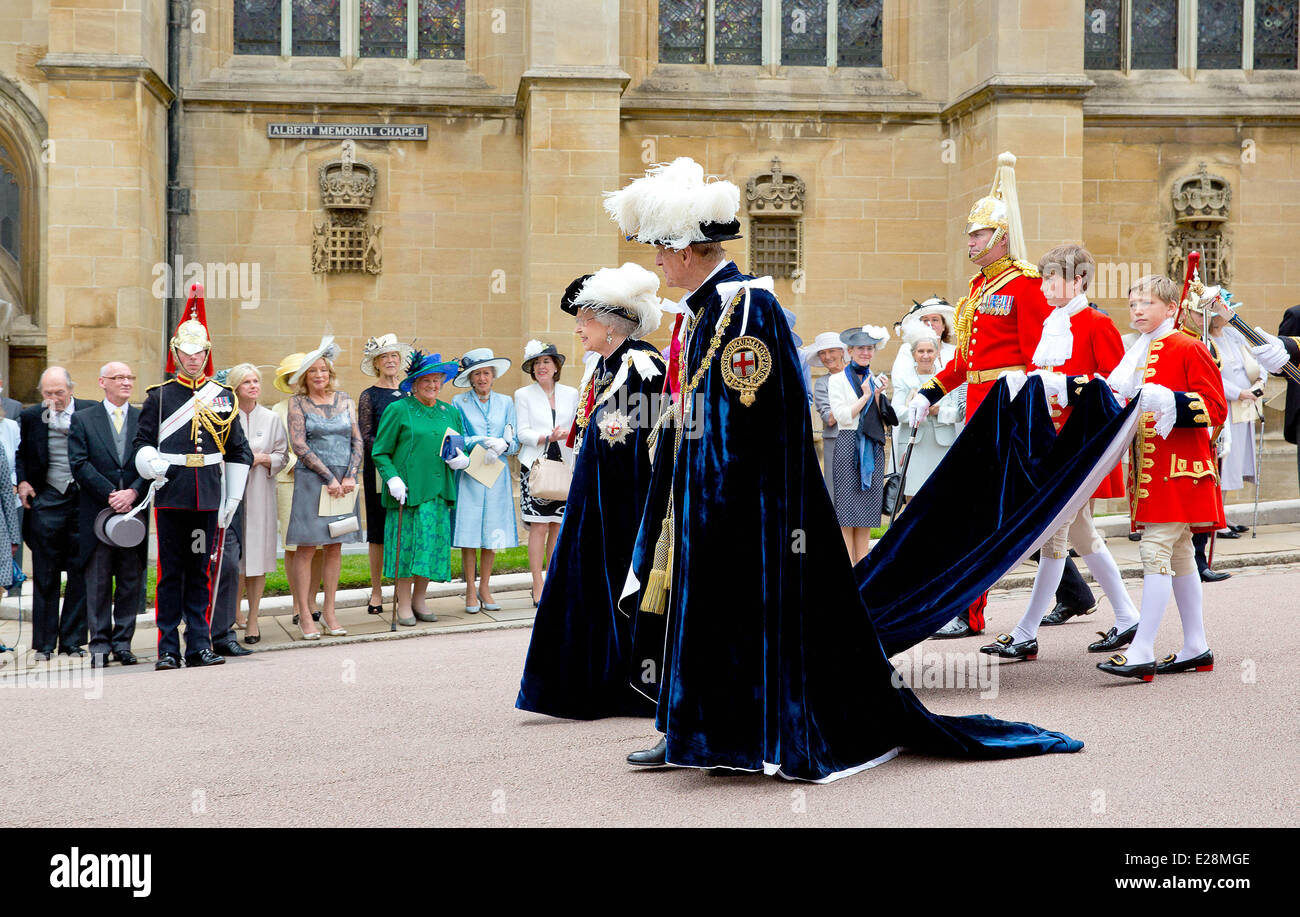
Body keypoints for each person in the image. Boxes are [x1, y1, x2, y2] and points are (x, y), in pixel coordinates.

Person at [609, 157, 1081, 780]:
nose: (657, 263)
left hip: (739, 501)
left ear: (691, 250)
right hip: (699, 495)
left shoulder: (744, 308)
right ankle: (690, 726)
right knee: (697, 611)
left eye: (663, 251)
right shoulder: (702, 310)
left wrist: (713, 482)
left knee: (735, 613)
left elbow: (748, 419)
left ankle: (736, 732)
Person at [908, 152, 1052, 640]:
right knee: (984, 515)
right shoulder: (977, 286)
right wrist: (930, 389)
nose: (969, 240)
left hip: (1006, 414)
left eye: (978, 234)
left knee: (985, 517)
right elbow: (967, 360)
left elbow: (1037, 357)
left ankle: (970, 610)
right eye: (969, 233)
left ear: (1001, 237)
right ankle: (1066, 593)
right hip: (977, 411)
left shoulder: (1026, 284)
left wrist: (1025, 408)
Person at [516, 264, 666, 719]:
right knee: (584, 586)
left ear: (611, 324)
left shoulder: (643, 364)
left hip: (629, 504)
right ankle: (589, 684)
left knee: (626, 587)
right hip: (593, 500)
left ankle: (633, 687)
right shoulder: (599, 368)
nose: (578, 329)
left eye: (585, 320)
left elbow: (660, 437)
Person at [979, 243, 1140, 662]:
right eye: (1045, 276)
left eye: (1053, 277)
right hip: (1050, 444)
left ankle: (1025, 632)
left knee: (1053, 535)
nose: (1045, 285)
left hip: (1080, 446)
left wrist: (1067, 387)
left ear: (1079, 280)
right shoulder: (1052, 320)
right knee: (1082, 534)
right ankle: (1126, 616)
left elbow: (1115, 389)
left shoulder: (1096, 323)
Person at [1095, 275, 1226, 680]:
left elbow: (1216, 409)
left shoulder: (1188, 346)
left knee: (1155, 551)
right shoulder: (1137, 350)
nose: (1137, 310)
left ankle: (1142, 650)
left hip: (1179, 471)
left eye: (1146, 303)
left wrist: (1173, 400)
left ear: (1171, 308)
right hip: (1151, 470)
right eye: (1133, 304)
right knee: (1182, 553)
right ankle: (1195, 646)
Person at [132, 282, 252, 670]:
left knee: (201, 570)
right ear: (176, 353)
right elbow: (142, 442)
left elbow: (238, 450)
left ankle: (199, 645)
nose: (194, 357)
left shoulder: (223, 396)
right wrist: (149, 461)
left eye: (200, 351)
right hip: (172, 495)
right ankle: (167, 648)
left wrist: (231, 500)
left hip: (207, 498)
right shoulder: (159, 396)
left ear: (207, 353)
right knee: (170, 574)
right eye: (187, 351)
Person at [372, 350, 464, 624]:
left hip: (437, 491)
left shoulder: (449, 412)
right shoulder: (398, 409)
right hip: (408, 493)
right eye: (427, 380)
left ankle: (420, 599)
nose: (434, 385)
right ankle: (402, 602)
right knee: (407, 549)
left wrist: (462, 459)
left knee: (430, 550)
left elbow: (458, 445)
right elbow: (380, 452)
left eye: (438, 380)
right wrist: (392, 478)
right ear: (414, 382)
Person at [67, 362, 147, 667]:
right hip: (98, 513)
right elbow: (79, 463)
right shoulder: (84, 419)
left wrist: (133, 493)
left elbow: (151, 462)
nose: (126, 382)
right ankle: (99, 645)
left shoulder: (144, 420)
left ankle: (123, 644)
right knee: (98, 580)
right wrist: (111, 495)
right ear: (103, 382)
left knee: (130, 579)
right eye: (119, 378)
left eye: (130, 377)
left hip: (134, 513)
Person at [285, 336, 362, 639]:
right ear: (305, 376)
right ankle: (305, 613)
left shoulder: (345, 399)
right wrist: (328, 478)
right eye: (313, 371)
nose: (319, 376)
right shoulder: (297, 402)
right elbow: (299, 444)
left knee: (334, 547)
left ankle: (330, 611)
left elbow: (356, 439)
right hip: (312, 481)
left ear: (331, 373)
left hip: (345, 483)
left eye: (324, 370)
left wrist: (350, 475)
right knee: (306, 548)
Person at [16, 367, 95, 660]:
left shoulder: (90, 411)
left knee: (80, 570)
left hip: (82, 498)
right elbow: (20, 454)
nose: (53, 399)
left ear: (71, 389)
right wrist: (23, 481)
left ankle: (73, 641)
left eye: (59, 393)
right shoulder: (30, 416)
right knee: (46, 574)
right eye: (47, 393)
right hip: (47, 497)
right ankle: (45, 644)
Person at [224, 363, 288, 645]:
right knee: (233, 555)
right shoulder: (226, 416)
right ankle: (232, 612)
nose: (253, 386)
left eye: (256, 381)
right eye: (247, 382)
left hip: (261, 491)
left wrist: (262, 459)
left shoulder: (271, 417)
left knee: (257, 557)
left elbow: (282, 456)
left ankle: (253, 619)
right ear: (236, 388)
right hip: (232, 492)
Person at [451, 348, 519, 613]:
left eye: (486, 373)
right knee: (469, 532)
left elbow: (513, 442)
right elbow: (458, 437)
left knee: (492, 532)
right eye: (477, 374)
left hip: (497, 473)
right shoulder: (459, 402)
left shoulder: (506, 402)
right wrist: (480, 440)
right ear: (470, 377)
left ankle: (485, 587)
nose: (482, 378)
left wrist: (504, 444)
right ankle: (469, 588)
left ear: (493, 375)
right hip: (470, 471)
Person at [514, 340, 579, 605]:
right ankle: (537, 584)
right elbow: (522, 433)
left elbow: (578, 424)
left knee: (557, 525)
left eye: (547, 362)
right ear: (532, 368)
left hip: (564, 466)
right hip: (536, 466)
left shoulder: (572, 393)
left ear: (556, 367)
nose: (542, 367)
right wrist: (547, 436)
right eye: (537, 363)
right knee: (538, 527)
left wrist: (567, 436)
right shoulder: (523, 395)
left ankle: (553, 581)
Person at [828, 325, 896, 563]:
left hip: (873, 447)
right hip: (848, 445)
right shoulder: (836, 380)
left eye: (869, 348)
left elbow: (883, 419)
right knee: (846, 514)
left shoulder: (876, 379)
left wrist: (878, 395)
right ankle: (848, 571)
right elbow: (843, 416)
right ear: (849, 351)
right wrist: (866, 396)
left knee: (867, 513)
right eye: (860, 348)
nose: (865, 353)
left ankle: (862, 570)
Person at [357, 334, 413, 616]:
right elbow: (365, 435)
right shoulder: (369, 396)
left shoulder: (410, 393)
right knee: (379, 532)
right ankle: (377, 590)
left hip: (409, 470)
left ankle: (405, 593)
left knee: (406, 528)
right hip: (380, 470)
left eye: (394, 356)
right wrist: (388, 452)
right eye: (384, 357)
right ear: (376, 363)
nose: (390, 361)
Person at [270, 353, 324, 628]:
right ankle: (297, 602)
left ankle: (312, 599)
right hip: (291, 483)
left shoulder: (322, 406)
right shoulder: (278, 411)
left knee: (320, 546)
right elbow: (277, 449)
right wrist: (299, 465)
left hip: (322, 483)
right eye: (293, 377)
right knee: (296, 546)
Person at [889, 323, 963, 498]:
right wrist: (918, 411)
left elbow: (959, 412)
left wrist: (939, 411)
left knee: (941, 494)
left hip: (942, 443)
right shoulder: (904, 379)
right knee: (913, 495)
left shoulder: (947, 378)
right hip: (913, 445)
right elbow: (896, 411)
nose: (925, 356)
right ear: (913, 354)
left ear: (937, 353)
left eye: (930, 351)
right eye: (920, 351)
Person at [803, 331, 847, 499]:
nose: (827, 356)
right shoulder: (822, 383)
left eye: (831, 351)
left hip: (862, 440)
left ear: (842, 351)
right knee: (835, 493)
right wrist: (857, 400)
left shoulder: (861, 376)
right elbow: (829, 418)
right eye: (822, 353)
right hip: (835, 441)